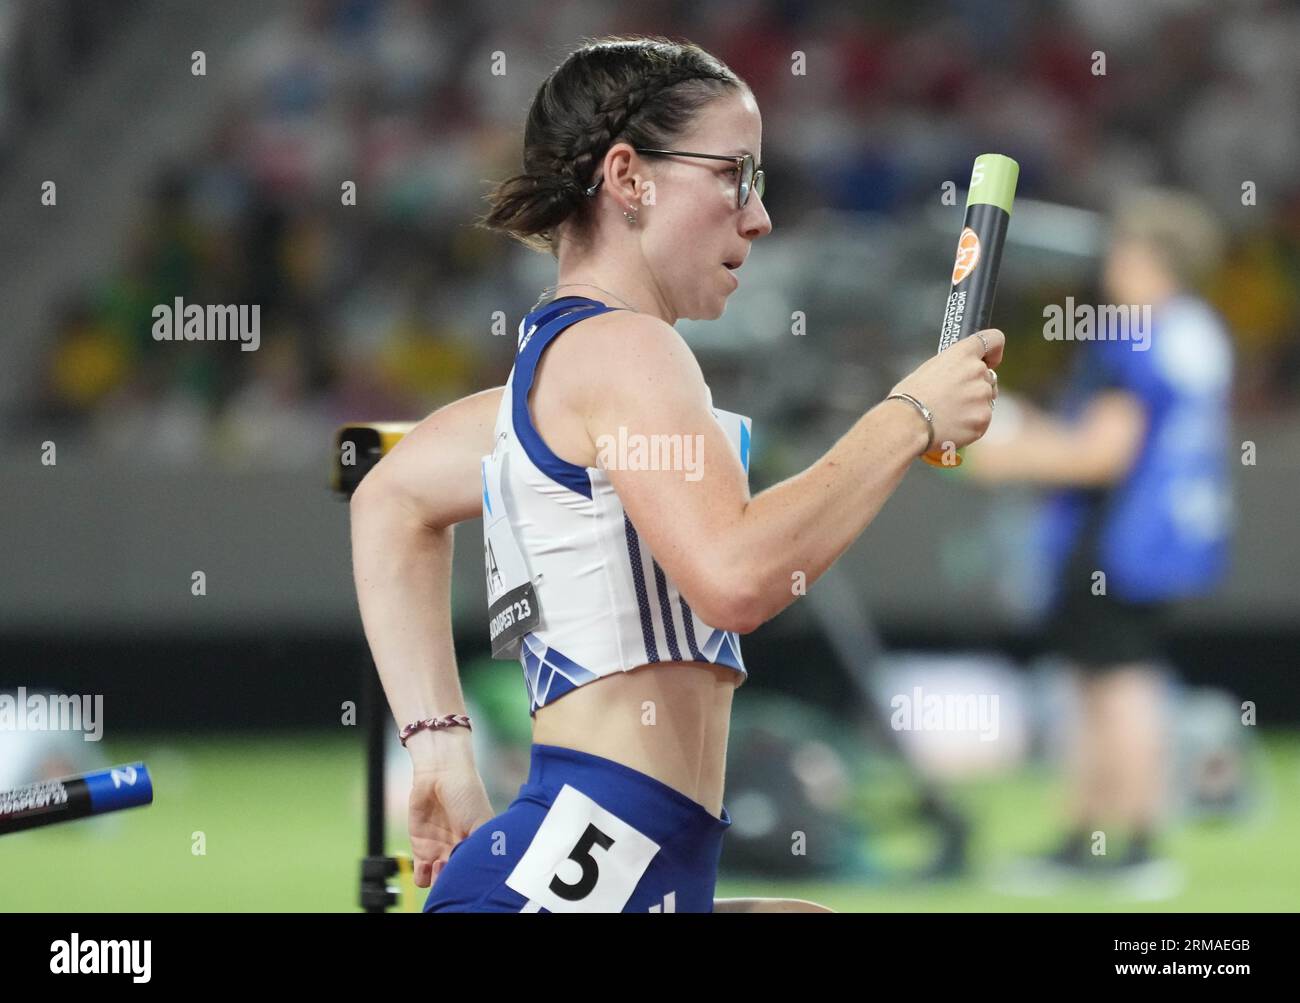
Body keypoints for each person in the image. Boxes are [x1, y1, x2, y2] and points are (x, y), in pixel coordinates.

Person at [349, 34, 1003, 913]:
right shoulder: (626, 349)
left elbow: (391, 497)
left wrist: (439, 747)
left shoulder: (556, 369)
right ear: (629, 178)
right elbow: (736, 578)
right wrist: (908, 416)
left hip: (600, 869)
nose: (758, 215)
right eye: (734, 174)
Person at [964, 189, 1233, 896]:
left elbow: (1101, 453)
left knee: (1115, 684)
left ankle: (1131, 843)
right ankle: (1095, 839)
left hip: (1121, 534)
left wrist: (1008, 450)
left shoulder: (1140, 336)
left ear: (1152, 258)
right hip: (1167, 531)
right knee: (1105, 680)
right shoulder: (1196, 329)